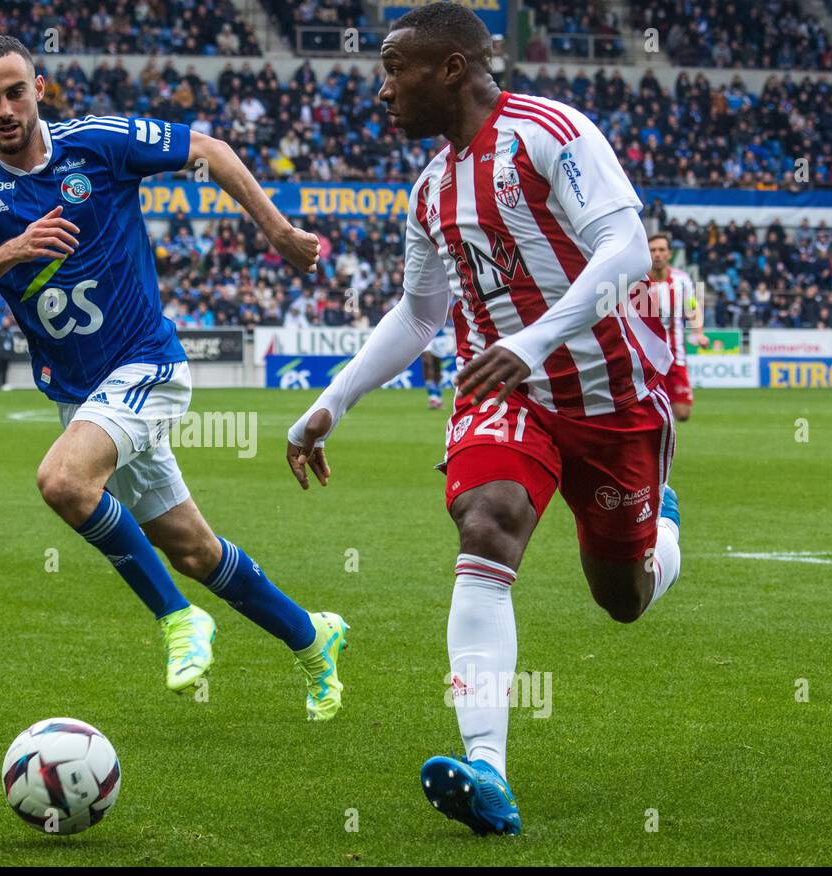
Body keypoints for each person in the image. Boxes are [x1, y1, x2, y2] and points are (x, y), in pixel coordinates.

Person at [286, 4, 683, 830]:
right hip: (507, 395)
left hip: (609, 396)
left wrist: (535, 341)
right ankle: (487, 771)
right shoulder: (429, 189)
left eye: (396, 69)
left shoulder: (549, 132)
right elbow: (419, 315)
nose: (383, 87)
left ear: (452, 69)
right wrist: (334, 400)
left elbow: (625, 249)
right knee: (487, 521)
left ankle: (663, 534)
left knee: (624, 598)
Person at [0, 35, 349, 718]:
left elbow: (208, 150)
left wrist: (276, 231)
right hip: (81, 395)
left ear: (38, 88)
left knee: (63, 482)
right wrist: (16, 247)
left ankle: (178, 620)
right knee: (192, 547)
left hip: (146, 365)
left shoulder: (98, 143)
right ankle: (313, 639)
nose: (5, 107)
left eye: (16, 91)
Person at [633, 234, 703, 421]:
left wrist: (699, 333)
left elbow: (693, 309)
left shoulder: (682, 280)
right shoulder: (637, 280)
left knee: (683, 413)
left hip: (675, 353)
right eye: (653, 250)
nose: (657, 254)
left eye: (661, 250)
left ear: (669, 254)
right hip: (645, 357)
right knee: (647, 414)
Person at [0, 313, 17, 389]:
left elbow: (11, 343)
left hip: (6, 354)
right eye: (5, 321)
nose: (6, 322)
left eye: (7, 321)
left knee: (5, 369)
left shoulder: (10, 331)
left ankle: (4, 384)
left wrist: (11, 353)